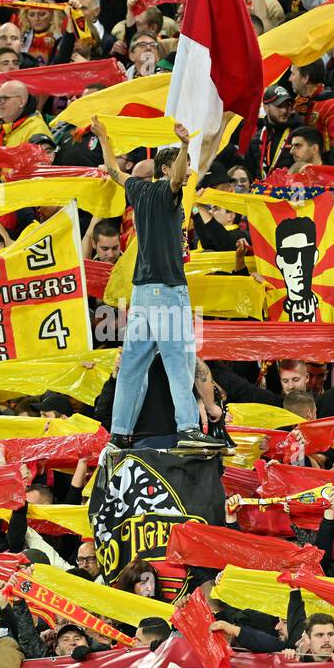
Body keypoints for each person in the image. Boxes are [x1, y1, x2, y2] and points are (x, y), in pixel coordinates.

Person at [92, 116, 223, 451]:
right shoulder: (167, 191)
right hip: (166, 290)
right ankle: (188, 430)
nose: (189, 171)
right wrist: (182, 145)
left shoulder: (138, 189)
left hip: (142, 293)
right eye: (185, 166)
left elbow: (112, 171)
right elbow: (178, 176)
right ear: (166, 170)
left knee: (133, 366)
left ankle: (120, 433)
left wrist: (104, 138)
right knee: (179, 360)